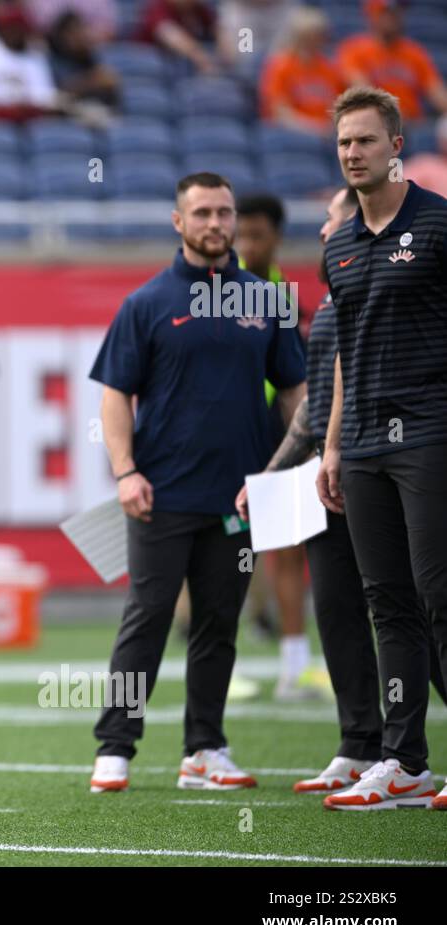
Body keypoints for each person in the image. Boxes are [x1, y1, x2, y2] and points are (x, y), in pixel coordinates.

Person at [86, 171, 306, 796]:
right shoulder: (147, 303)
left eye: (225, 212)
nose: (216, 223)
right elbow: (114, 398)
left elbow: (296, 391)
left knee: (219, 623)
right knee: (149, 617)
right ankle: (115, 747)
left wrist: (308, 458)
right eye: (203, 212)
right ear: (179, 222)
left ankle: (204, 749)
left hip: (239, 498)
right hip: (161, 495)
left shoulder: (267, 300)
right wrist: (125, 473)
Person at [236, 184, 447, 794]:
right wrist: (282, 468)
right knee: (340, 609)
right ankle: (361, 743)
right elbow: (317, 405)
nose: (327, 231)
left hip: (396, 457)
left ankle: (405, 748)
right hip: (335, 467)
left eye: (335, 219)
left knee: (423, 604)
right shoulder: (331, 304)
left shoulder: (392, 290)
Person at [316, 86, 447, 811]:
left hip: (430, 435)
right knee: (388, 604)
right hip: (361, 446)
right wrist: (333, 447)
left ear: (397, 146)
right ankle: (405, 761)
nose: (353, 153)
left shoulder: (438, 227)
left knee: (440, 596)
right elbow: (343, 352)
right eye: (343, 143)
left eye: (366, 140)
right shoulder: (337, 245)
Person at [234, 193, 313, 699]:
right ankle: (230, 665)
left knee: (288, 548)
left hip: (282, 435)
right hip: (233, 432)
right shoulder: (216, 290)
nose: (246, 244)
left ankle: (294, 666)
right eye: (240, 234)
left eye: (256, 235)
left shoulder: (288, 298)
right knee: (229, 554)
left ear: (277, 237)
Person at [336, 0, 447, 123]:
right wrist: (395, 115)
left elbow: (437, 92)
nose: (394, 17)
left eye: (397, 12)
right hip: (375, 123)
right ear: (372, 14)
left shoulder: (414, 52)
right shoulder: (354, 49)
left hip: (411, 125)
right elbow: (365, 93)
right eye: (387, 12)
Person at [258, 6, 346, 136]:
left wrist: (329, 127)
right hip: (288, 134)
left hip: (326, 135)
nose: (312, 42)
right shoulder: (279, 66)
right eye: (307, 37)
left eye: (317, 37)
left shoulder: (330, 68)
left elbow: (340, 108)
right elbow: (279, 112)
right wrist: (313, 129)